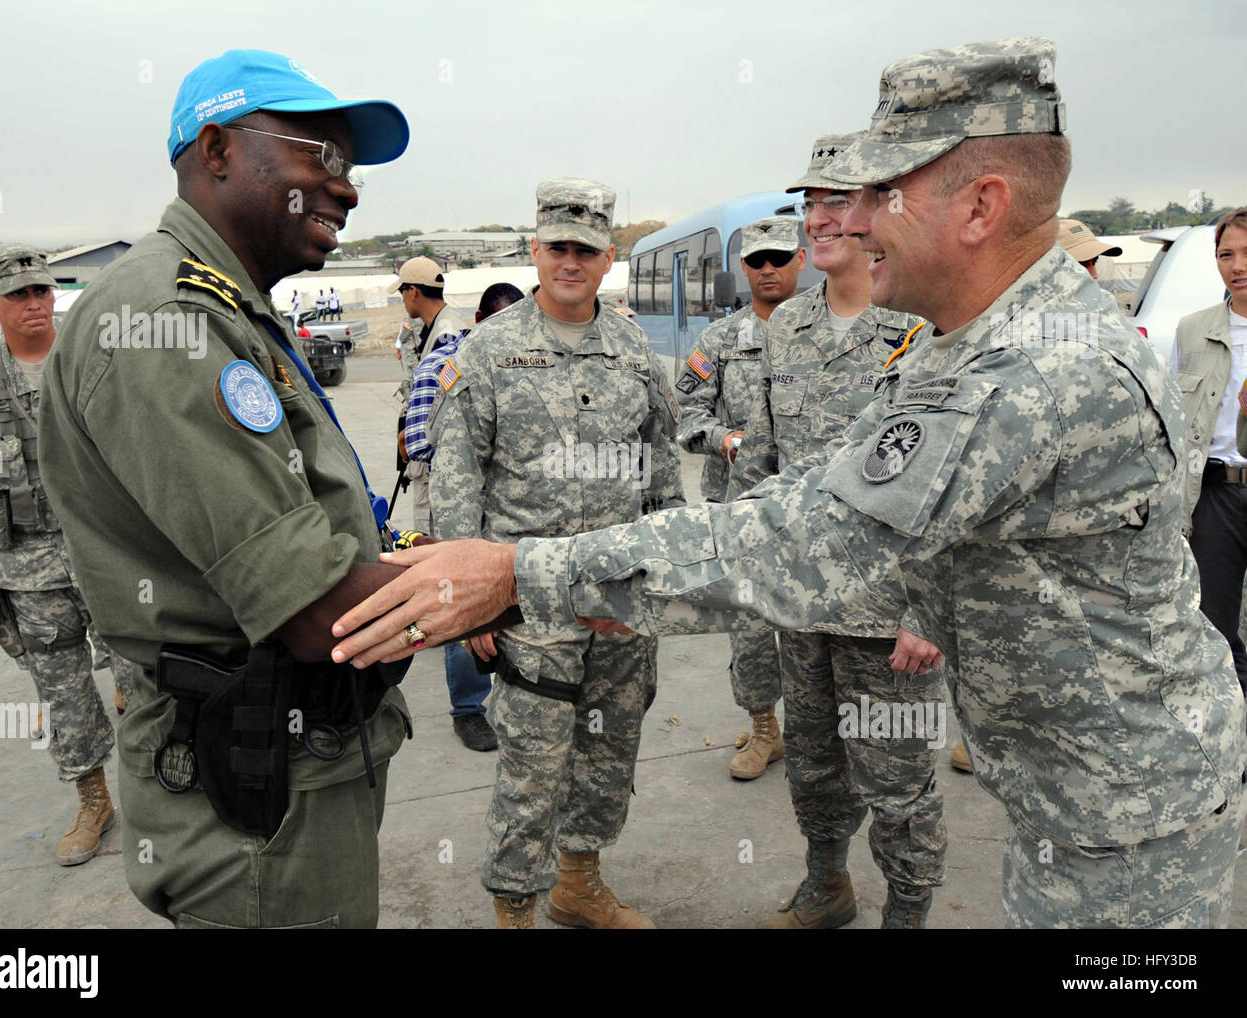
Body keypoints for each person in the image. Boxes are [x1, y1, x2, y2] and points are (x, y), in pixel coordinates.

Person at [334, 38, 1247, 930]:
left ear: (981, 206)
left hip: (1124, 822)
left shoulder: (1037, 373)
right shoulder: (953, 345)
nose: (849, 222)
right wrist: (607, 570)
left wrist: (524, 574)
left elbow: (816, 541)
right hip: (1073, 801)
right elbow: (816, 487)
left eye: (882, 194)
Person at [38, 48, 415, 929]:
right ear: (216, 150)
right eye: (318, 155)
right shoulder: (165, 322)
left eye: (349, 167)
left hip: (289, 758)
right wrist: (506, 580)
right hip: (252, 795)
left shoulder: (227, 304)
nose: (347, 189)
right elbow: (316, 609)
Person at [428, 178, 683, 929]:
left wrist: (659, 582)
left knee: (607, 758)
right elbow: (455, 475)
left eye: (586, 250)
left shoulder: (636, 349)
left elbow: (663, 470)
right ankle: (515, 910)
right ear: (535, 251)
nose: (570, 261)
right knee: (532, 772)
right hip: (525, 601)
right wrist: (465, 596)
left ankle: (578, 884)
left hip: (617, 598)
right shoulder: (489, 349)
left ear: (608, 259)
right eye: (557, 247)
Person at [730, 139, 947, 928]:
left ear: (876, 210)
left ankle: (908, 912)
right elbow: (762, 458)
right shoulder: (785, 325)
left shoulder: (924, 324)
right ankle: (828, 884)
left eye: (834, 202)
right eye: (806, 206)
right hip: (803, 602)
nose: (817, 221)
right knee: (816, 766)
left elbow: (952, 484)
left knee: (896, 783)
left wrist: (928, 609)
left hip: (890, 615)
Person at [0, 244, 117, 867]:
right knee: (63, 690)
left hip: (110, 556)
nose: (34, 304)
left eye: (42, 291)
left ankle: (168, 792)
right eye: (18, 294)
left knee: (146, 674)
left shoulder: (91, 353)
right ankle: (93, 800)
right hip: (26, 567)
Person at [675, 216, 804, 781]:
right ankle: (763, 729)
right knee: (750, 628)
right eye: (756, 261)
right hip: (741, 509)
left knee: (810, 628)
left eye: (779, 257)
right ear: (742, 269)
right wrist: (723, 438)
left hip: (812, 511)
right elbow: (686, 413)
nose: (768, 269)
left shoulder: (830, 334)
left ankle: (814, 728)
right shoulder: (721, 342)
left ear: (802, 258)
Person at [404, 281, 524, 751]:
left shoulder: (533, 366)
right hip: (466, 511)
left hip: (519, 516)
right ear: (477, 322)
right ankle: (469, 710)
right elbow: (417, 440)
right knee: (466, 607)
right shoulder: (444, 365)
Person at [1174, 206, 1247, 696]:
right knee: (1211, 627)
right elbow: (1175, 425)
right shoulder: (1192, 329)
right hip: (1216, 497)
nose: (1237, 265)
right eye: (1226, 254)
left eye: (1246, 253)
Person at [388, 256, 467, 533]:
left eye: (402, 292)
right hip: (431, 452)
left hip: (433, 455)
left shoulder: (446, 334)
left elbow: (446, 401)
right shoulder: (438, 326)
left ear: (414, 291)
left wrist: (412, 439)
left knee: (426, 528)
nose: (402, 299)